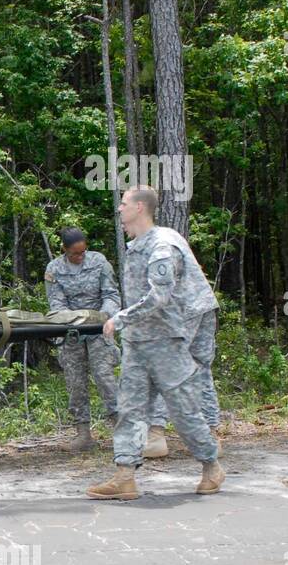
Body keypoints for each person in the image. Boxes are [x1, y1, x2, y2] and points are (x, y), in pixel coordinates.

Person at [87, 187, 225, 499]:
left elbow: (160, 296)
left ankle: (211, 466)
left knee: (182, 407)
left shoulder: (162, 244)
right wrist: (128, 326)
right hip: (138, 340)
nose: (119, 210)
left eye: (123, 204)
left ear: (139, 207)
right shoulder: (136, 245)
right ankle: (125, 475)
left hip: (165, 338)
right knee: (130, 408)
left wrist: (120, 319)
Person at [44, 227, 121, 452]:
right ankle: (83, 434)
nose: (80, 256)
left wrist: (104, 317)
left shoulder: (99, 262)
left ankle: (122, 430)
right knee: (75, 382)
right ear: (64, 250)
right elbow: (56, 303)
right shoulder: (54, 269)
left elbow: (111, 295)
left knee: (105, 377)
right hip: (72, 332)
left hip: (99, 328)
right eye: (75, 253)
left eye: (82, 252)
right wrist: (73, 320)